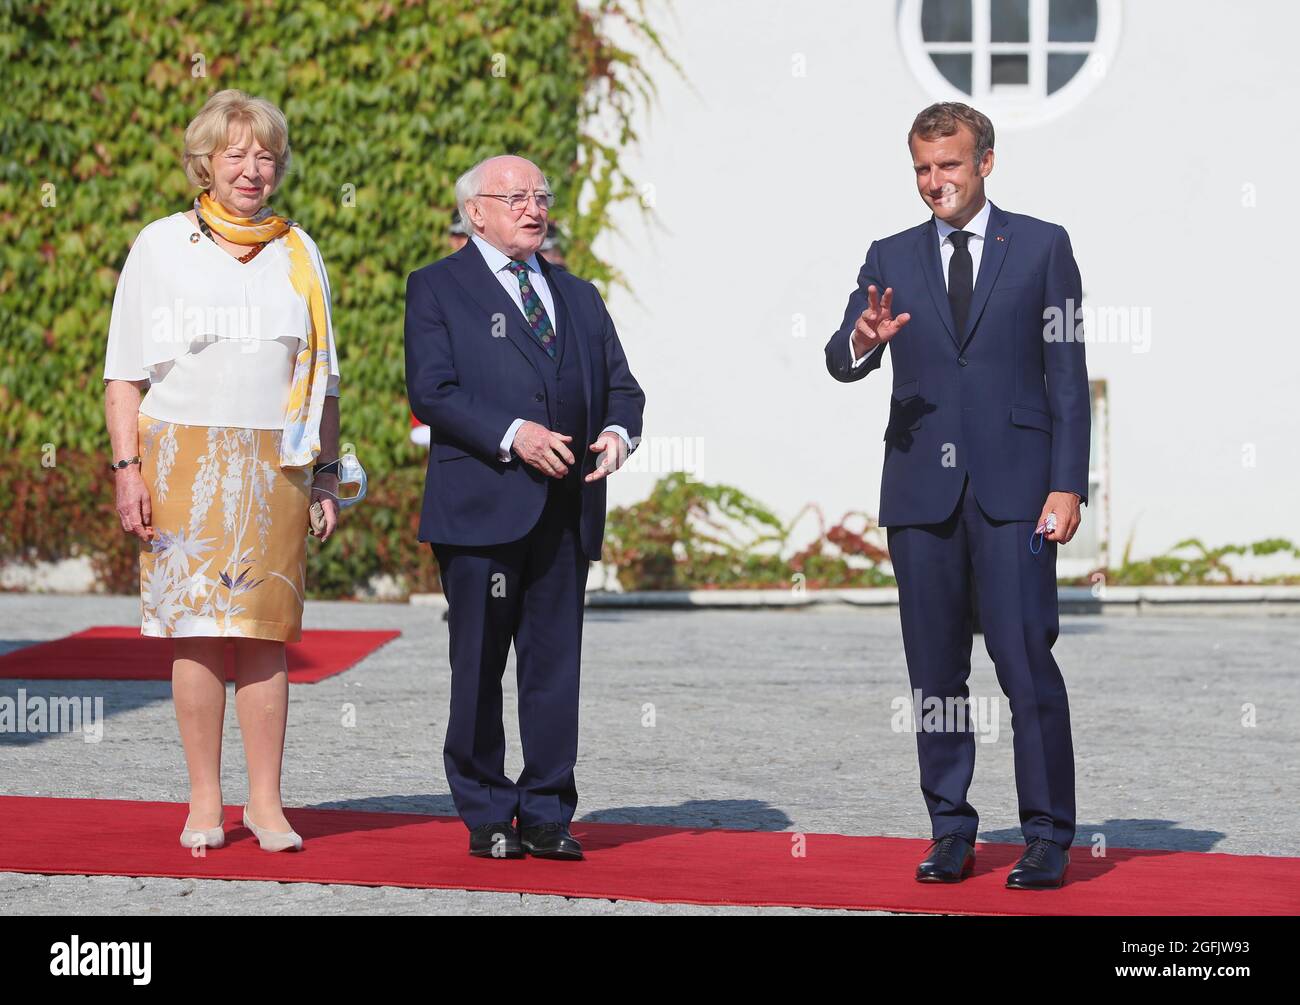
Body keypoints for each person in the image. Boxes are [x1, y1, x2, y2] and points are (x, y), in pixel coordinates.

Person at [825, 102, 1089, 889]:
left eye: (949, 165)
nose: (934, 181)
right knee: (934, 674)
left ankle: (1046, 833)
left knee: (1024, 661)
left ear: (986, 163)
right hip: (920, 495)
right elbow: (841, 358)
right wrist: (863, 341)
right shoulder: (890, 254)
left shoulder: (1043, 246)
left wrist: (1067, 483)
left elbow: (1067, 376)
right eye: (922, 168)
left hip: (1017, 490)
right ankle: (950, 828)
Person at [102, 89, 344, 853]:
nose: (251, 168)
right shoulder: (160, 243)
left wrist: (329, 475)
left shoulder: (301, 251)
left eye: (265, 155)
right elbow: (122, 376)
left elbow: (325, 378)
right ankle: (204, 801)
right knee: (198, 633)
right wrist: (126, 469)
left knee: (266, 634)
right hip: (180, 453)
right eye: (235, 153)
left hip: (278, 457)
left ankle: (266, 805)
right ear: (204, 161)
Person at [404, 155, 645, 860]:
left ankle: (545, 811)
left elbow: (624, 388)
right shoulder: (437, 288)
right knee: (477, 665)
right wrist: (515, 435)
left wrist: (617, 433)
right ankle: (484, 809)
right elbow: (434, 390)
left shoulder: (578, 294)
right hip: (480, 507)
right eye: (514, 197)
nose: (533, 208)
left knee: (553, 668)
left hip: (565, 512)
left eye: (540, 196)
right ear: (475, 211)